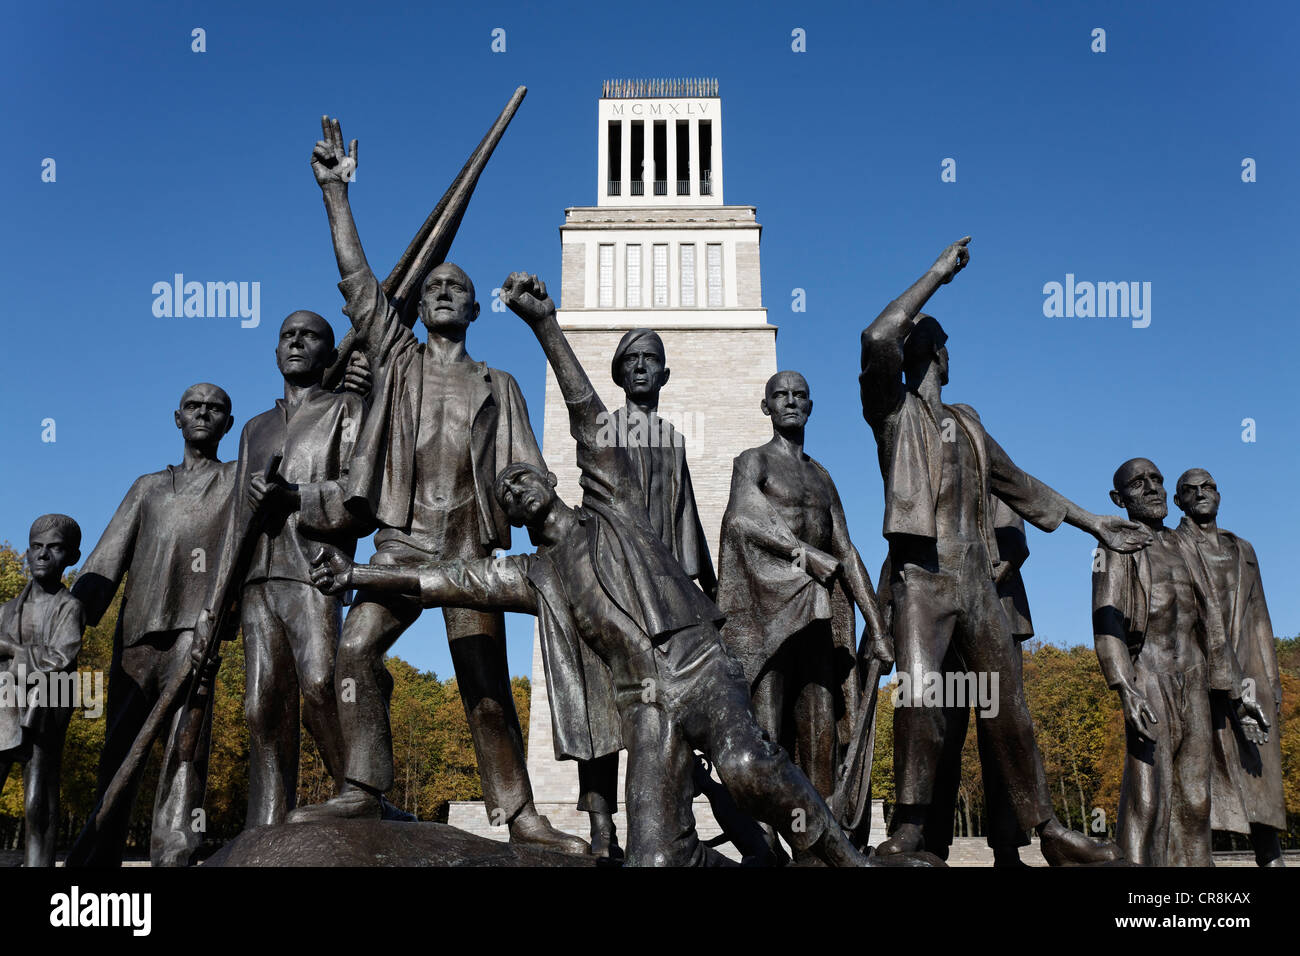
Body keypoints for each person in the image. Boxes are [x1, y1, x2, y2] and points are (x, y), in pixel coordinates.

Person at [308, 272, 885, 867]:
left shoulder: (614, 505)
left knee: (744, 766)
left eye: (521, 478)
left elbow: (586, 412)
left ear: (549, 478)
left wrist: (545, 325)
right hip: (647, 700)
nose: (515, 489)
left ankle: (844, 857)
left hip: (698, 668)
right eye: (506, 494)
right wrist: (353, 576)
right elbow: (442, 581)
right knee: (657, 859)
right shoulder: (537, 573)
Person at [290, 117, 583, 853]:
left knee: (485, 686)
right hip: (399, 539)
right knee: (355, 651)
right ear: (418, 307)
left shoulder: (501, 383)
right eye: (436, 288)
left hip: (470, 548)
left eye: (459, 288)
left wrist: (553, 520)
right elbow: (359, 281)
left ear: (476, 310)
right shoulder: (398, 362)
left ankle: (519, 816)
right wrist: (335, 194)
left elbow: (528, 470)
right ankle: (363, 787)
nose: (445, 292)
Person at [860, 236, 1148, 864]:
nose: (949, 356)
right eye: (946, 347)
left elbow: (1019, 485)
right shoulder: (892, 410)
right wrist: (936, 273)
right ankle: (909, 828)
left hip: (975, 581)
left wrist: (1094, 523)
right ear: (935, 352)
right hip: (921, 578)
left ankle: (1047, 830)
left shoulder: (968, 423)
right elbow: (876, 337)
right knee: (920, 694)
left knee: (1007, 705)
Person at [212, 309, 368, 826]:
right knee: (261, 706)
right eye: (288, 336)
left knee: (322, 684)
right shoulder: (256, 428)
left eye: (310, 336)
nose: (297, 342)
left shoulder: (347, 409)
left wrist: (295, 498)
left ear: (329, 353)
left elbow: (361, 499)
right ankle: (267, 826)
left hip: (313, 570)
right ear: (276, 351)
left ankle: (362, 794)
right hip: (258, 576)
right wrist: (221, 600)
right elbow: (237, 516)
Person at [71, 384, 238, 866]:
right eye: (193, 406)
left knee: (186, 754)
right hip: (137, 638)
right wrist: (67, 620)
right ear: (177, 418)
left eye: (215, 408)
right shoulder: (147, 487)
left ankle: (175, 857)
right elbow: (107, 558)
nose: (203, 413)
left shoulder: (233, 480)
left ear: (228, 423)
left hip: (196, 636)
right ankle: (100, 857)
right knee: (118, 751)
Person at [718, 371, 889, 820]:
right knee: (766, 731)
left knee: (821, 730)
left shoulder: (821, 476)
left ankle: (822, 841)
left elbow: (846, 551)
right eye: (780, 395)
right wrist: (805, 554)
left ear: (810, 406)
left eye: (799, 395)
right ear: (766, 407)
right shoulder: (752, 462)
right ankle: (768, 843)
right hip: (769, 615)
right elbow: (740, 521)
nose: (790, 401)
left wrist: (877, 625)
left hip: (817, 616)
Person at [576, 329, 719, 858]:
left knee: (660, 704)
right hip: (612, 582)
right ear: (619, 373)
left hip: (660, 588)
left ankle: (669, 818)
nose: (640, 367)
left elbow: (685, 514)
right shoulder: (605, 428)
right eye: (630, 359)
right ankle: (600, 824)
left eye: (649, 360)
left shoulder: (672, 438)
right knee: (600, 702)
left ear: (663, 373)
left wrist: (701, 583)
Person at [1172, 468, 1285, 866]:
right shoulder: (1173, 544)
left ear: (1219, 495)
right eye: (1191, 490)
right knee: (1198, 774)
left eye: (1208, 487)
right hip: (1197, 670)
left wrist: (1271, 679)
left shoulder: (1243, 550)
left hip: (1249, 671)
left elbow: (1259, 617)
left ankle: (1270, 857)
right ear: (1179, 502)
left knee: (1260, 772)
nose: (1201, 494)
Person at [0, 514, 85, 867]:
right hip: (4, 706)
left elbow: (60, 660)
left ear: (71, 557)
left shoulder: (69, 607)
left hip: (45, 707)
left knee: (38, 801)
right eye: (36, 547)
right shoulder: (5, 612)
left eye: (54, 548)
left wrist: (10, 651)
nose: (42, 555)